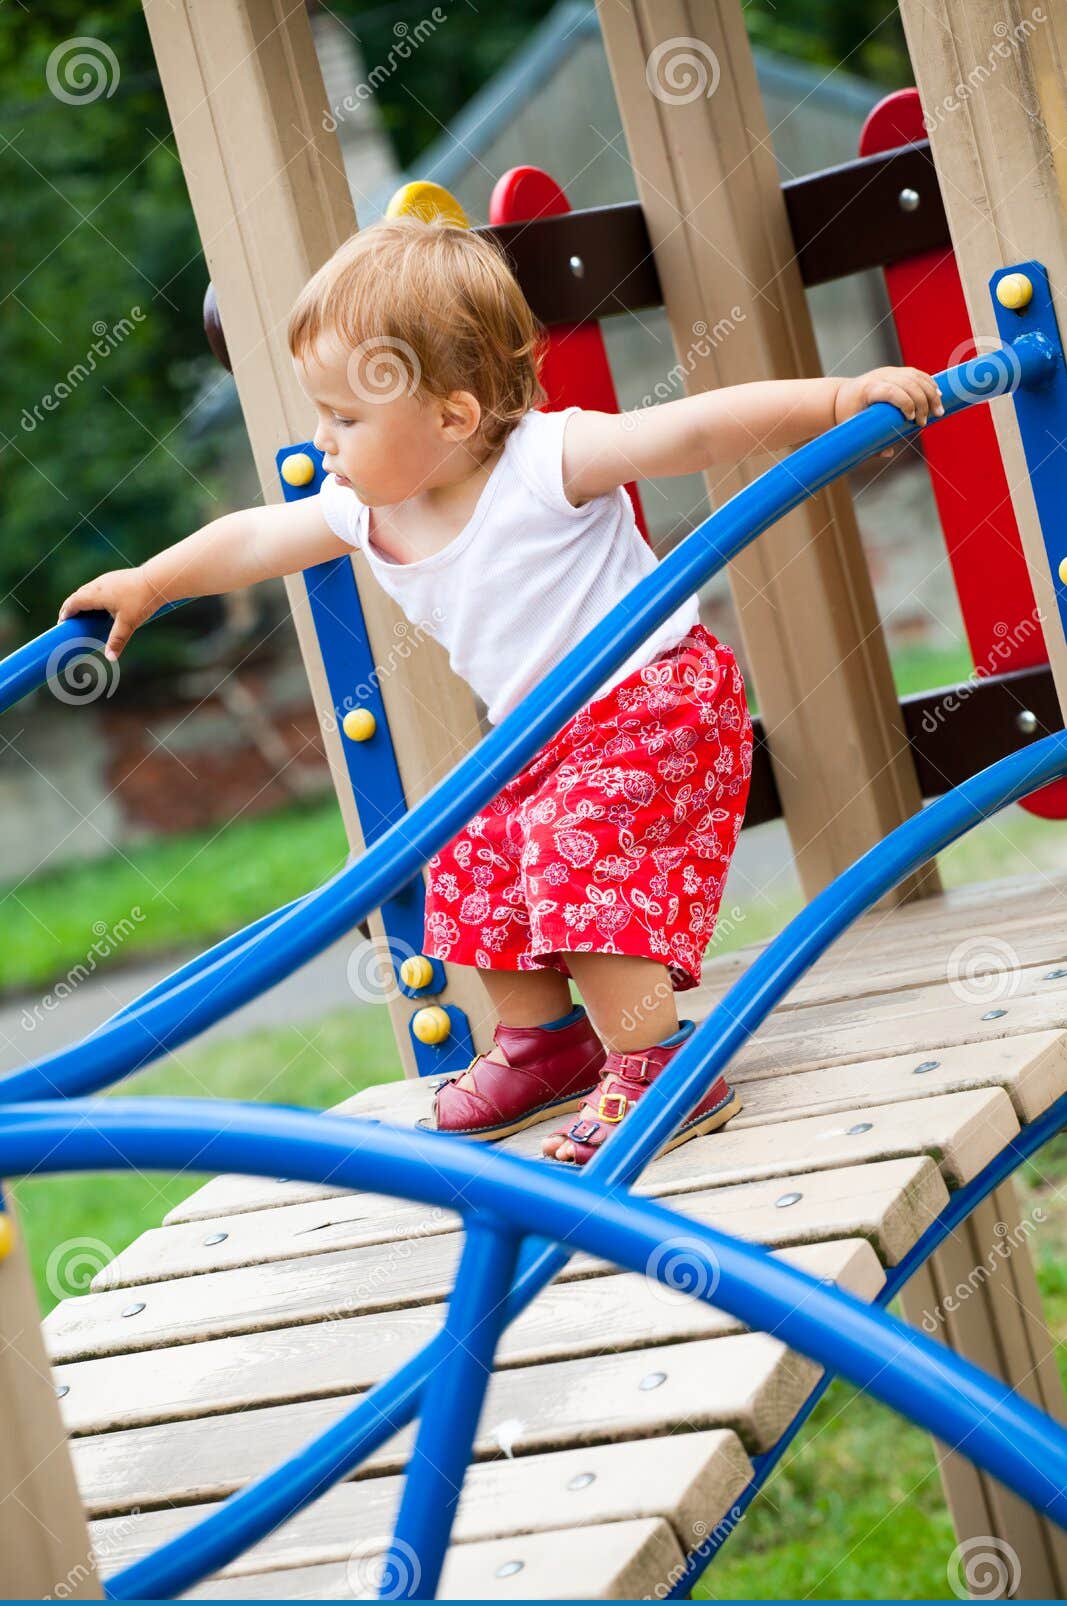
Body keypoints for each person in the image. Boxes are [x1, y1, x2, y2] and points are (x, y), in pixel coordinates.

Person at [56, 216, 942, 1167]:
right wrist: (149, 582)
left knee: (577, 851)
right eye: (321, 415)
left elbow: (690, 427)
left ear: (452, 416)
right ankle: (545, 1046)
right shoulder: (366, 509)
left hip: (654, 699)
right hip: (539, 734)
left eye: (345, 419)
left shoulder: (546, 463)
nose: (321, 441)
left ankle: (657, 1063)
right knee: (468, 847)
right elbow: (250, 537)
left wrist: (842, 397)